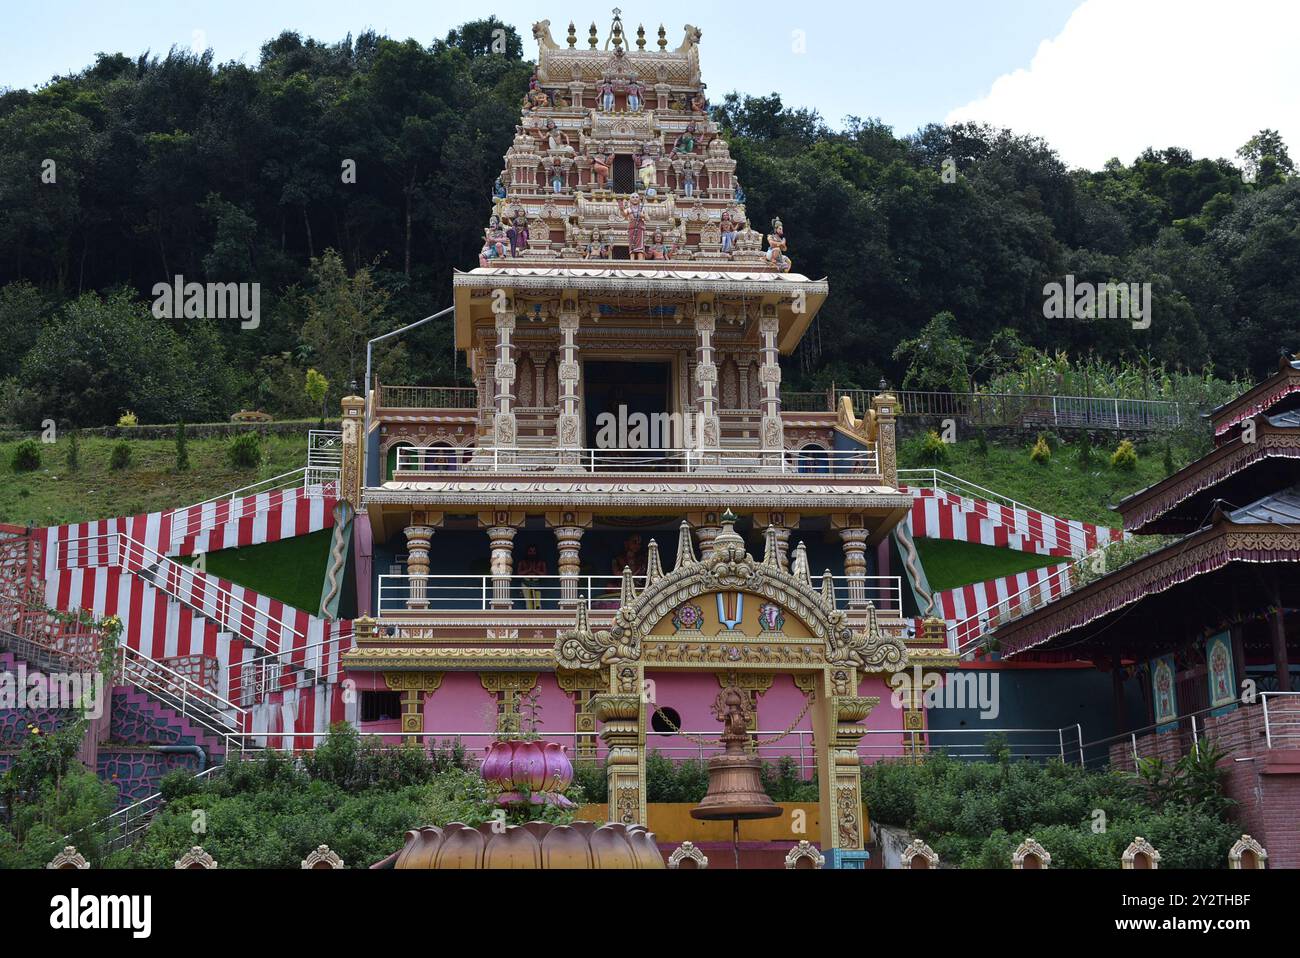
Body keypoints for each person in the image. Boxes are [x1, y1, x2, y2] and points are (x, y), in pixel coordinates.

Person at [516, 544, 549, 610]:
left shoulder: (541, 562)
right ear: (527, 552)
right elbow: (519, 573)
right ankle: (529, 616)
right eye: (530, 551)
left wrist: (535, 571)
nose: (532, 553)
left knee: (538, 603)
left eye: (534, 551)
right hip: (526, 582)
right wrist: (528, 570)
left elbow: (545, 574)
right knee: (528, 603)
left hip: (536, 582)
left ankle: (538, 616)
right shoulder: (522, 562)